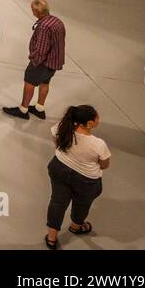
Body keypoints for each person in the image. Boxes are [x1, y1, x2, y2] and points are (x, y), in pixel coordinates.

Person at [44, 104, 110, 249]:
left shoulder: (62, 127)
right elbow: (105, 165)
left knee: (57, 202)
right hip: (86, 180)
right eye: (97, 118)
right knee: (82, 203)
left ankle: (51, 238)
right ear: (89, 124)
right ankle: (76, 226)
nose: (99, 119)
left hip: (59, 169)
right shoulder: (98, 144)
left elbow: (56, 141)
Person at [3, 0, 66, 120]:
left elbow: (41, 50)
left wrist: (34, 62)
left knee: (29, 83)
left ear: (37, 12)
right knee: (45, 83)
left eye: (32, 10)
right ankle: (39, 108)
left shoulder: (43, 26)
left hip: (42, 63)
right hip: (54, 61)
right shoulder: (57, 21)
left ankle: (23, 110)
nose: (32, 12)